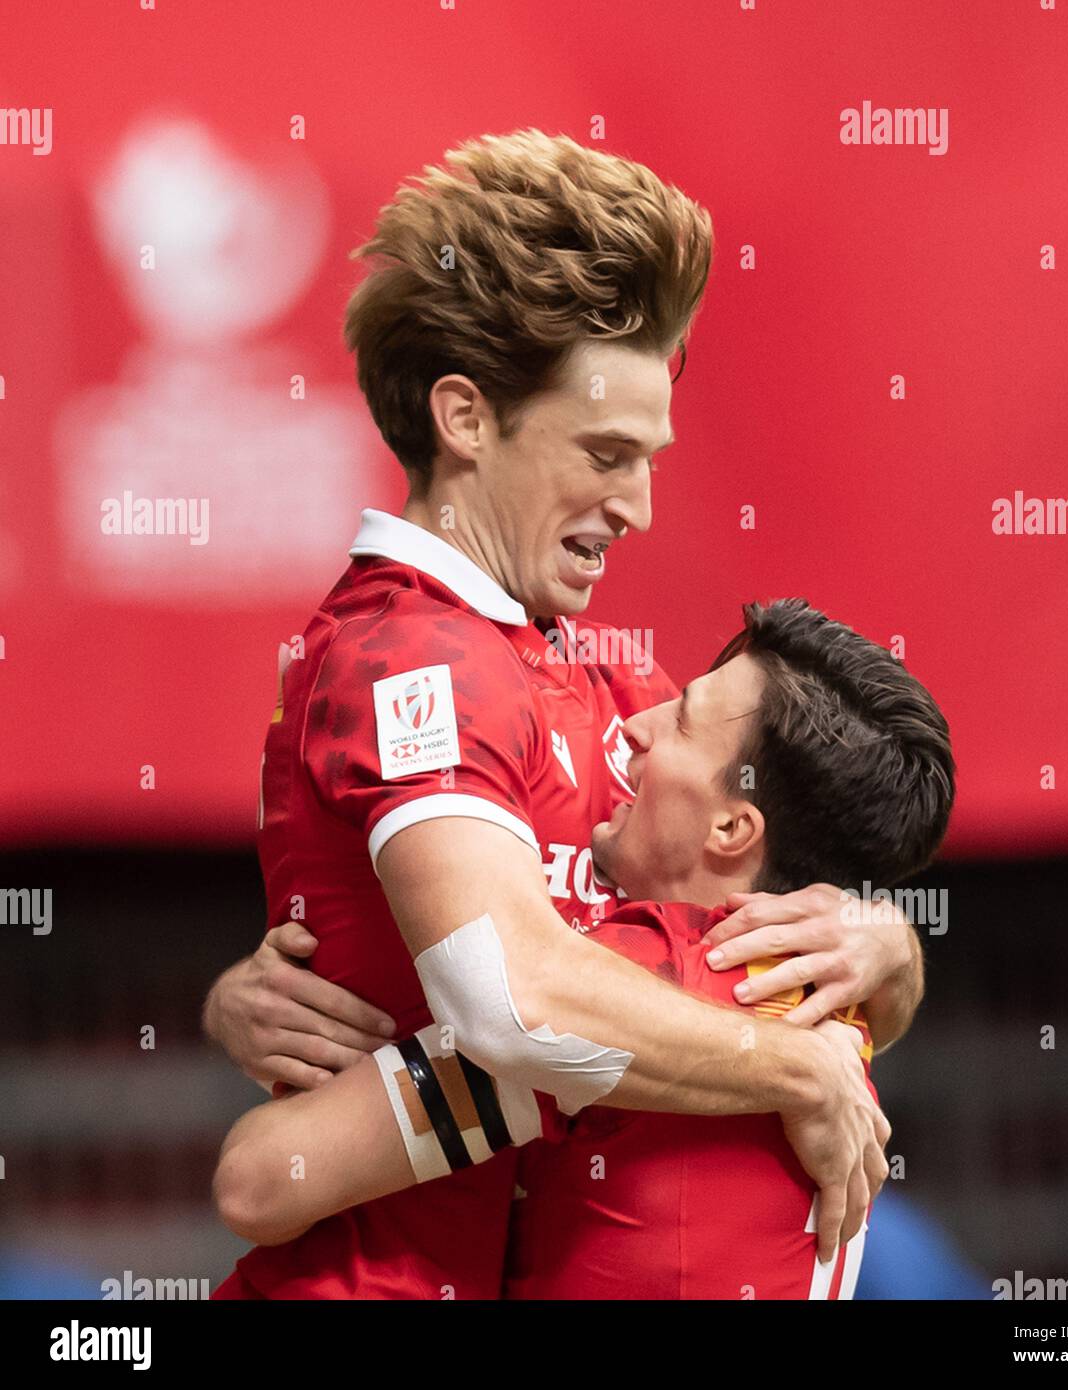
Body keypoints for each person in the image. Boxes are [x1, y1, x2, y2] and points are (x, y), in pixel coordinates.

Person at [202, 130, 915, 1299]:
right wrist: (793, 1064)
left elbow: (752, 870)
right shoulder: (407, 658)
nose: (636, 503)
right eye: (605, 451)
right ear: (466, 419)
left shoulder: (599, 687)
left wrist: (885, 951)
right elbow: (513, 1002)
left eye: (649, 457)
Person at [213, 599, 955, 1299]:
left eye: (683, 723)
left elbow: (257, 1180)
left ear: (732, 830)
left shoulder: (611, 1006)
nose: (636, 728)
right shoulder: (838, 988)